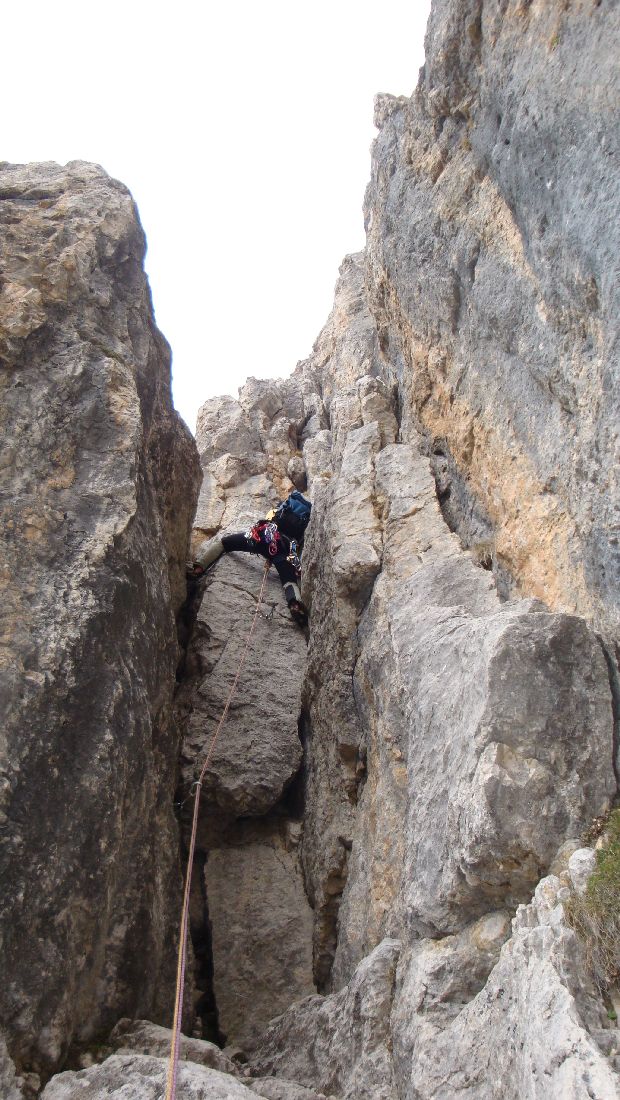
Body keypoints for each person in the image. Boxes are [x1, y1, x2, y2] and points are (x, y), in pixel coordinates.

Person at [189, 492, 311, 627]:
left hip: (261, 538)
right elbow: (298, 548)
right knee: (289, 582)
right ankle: (295, 604)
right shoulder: (304, 523)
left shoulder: (281, 508)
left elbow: (267, 519)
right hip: (282, 549)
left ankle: (198, 568)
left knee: (224, 543)